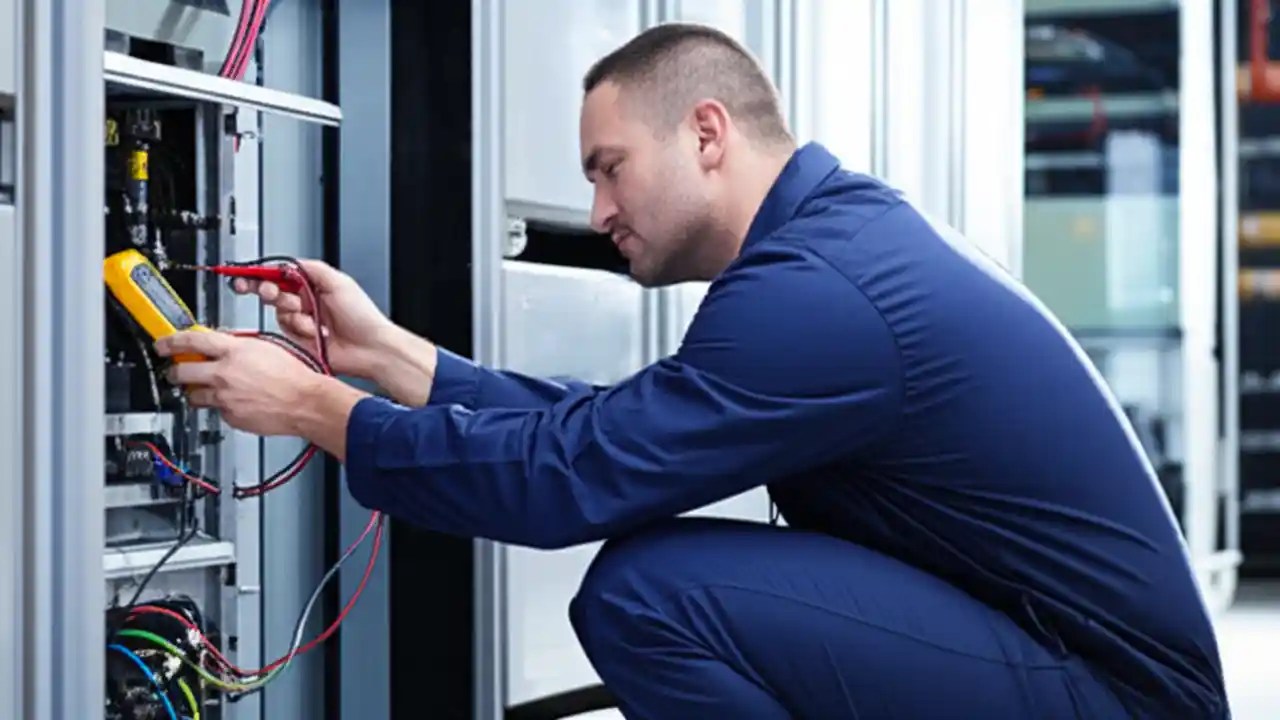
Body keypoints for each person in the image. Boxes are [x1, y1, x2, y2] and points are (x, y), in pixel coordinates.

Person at [155, 22, 1230, 719]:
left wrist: (313, 406)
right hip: (1078, 671)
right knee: (659, 575)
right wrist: (392, 360)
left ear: (705, 133)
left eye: (608, 167)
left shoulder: (818, 293)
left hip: (1116, 699)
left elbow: (573, 478)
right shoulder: (830, 250)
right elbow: (622, 429)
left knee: (653, 591)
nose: (597, 212)